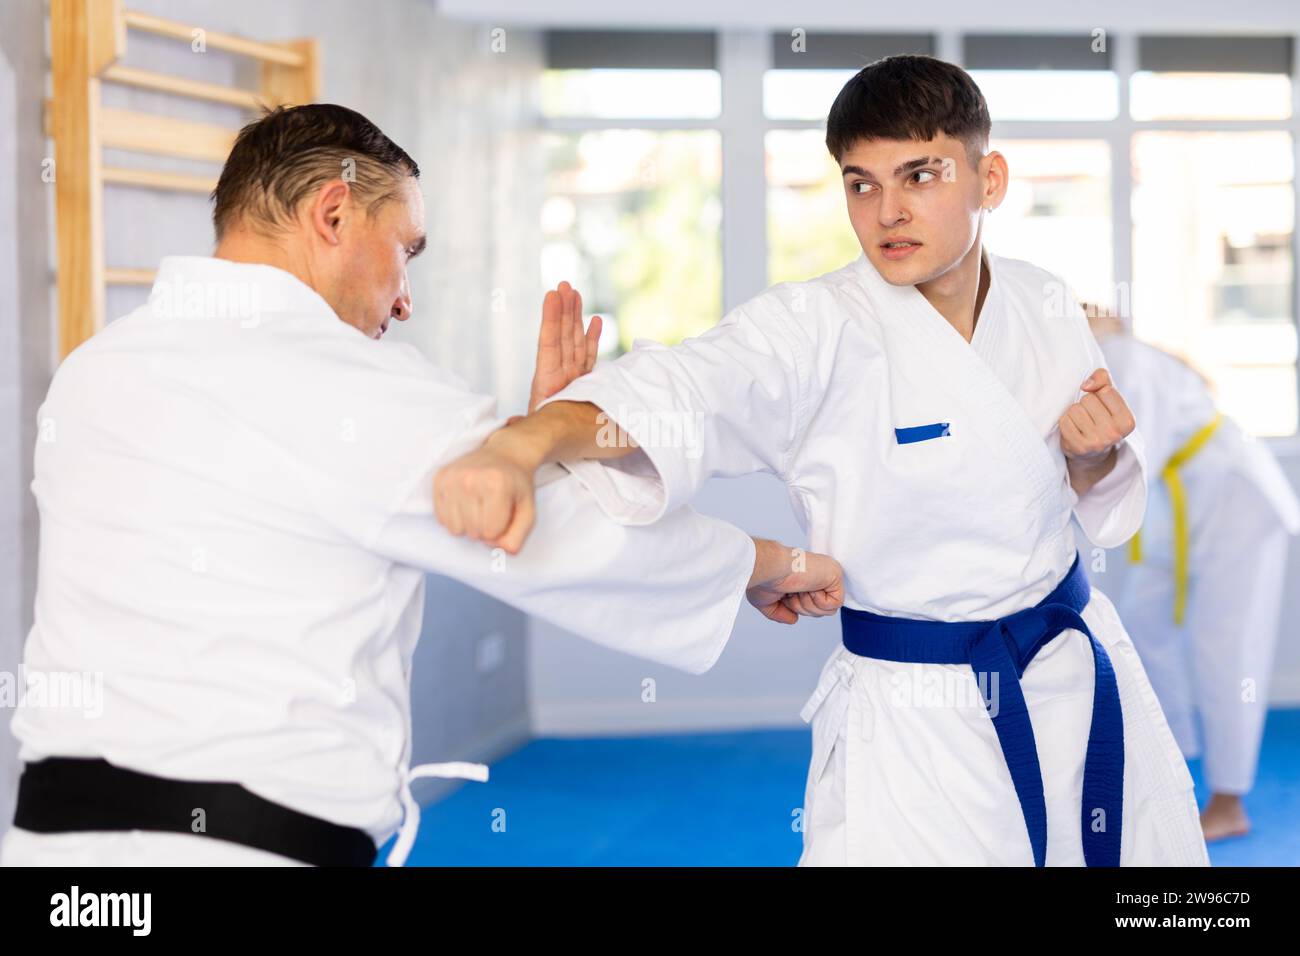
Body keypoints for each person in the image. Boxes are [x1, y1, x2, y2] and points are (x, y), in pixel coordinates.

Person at [0, 104, 844, 868]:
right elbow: (555, 539)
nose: (404, 301)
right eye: (405, 251)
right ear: (333, 213)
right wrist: (770, 562)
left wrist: (530, 450)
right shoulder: (339, 384)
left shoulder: (95, 368)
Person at [433, 56, 1211, 866]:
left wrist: (1093, 459)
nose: (888, 211)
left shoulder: (1045, 299)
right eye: (860, 183)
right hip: (916, 712)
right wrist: (526, 442)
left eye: (920, 175)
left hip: (1071, 666)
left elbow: (1088, 500)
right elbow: (687, 387)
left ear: (991, 180)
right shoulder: (813, 327)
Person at [1085, 304, 1300, 842]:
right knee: (1141, 620)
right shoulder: (1107, 362)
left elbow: (1135, 456)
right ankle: (1173, 755)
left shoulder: (1122, 357)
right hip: (1177, 505)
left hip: (1237, 501)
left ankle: (1229, 801)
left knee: (1227, 647)